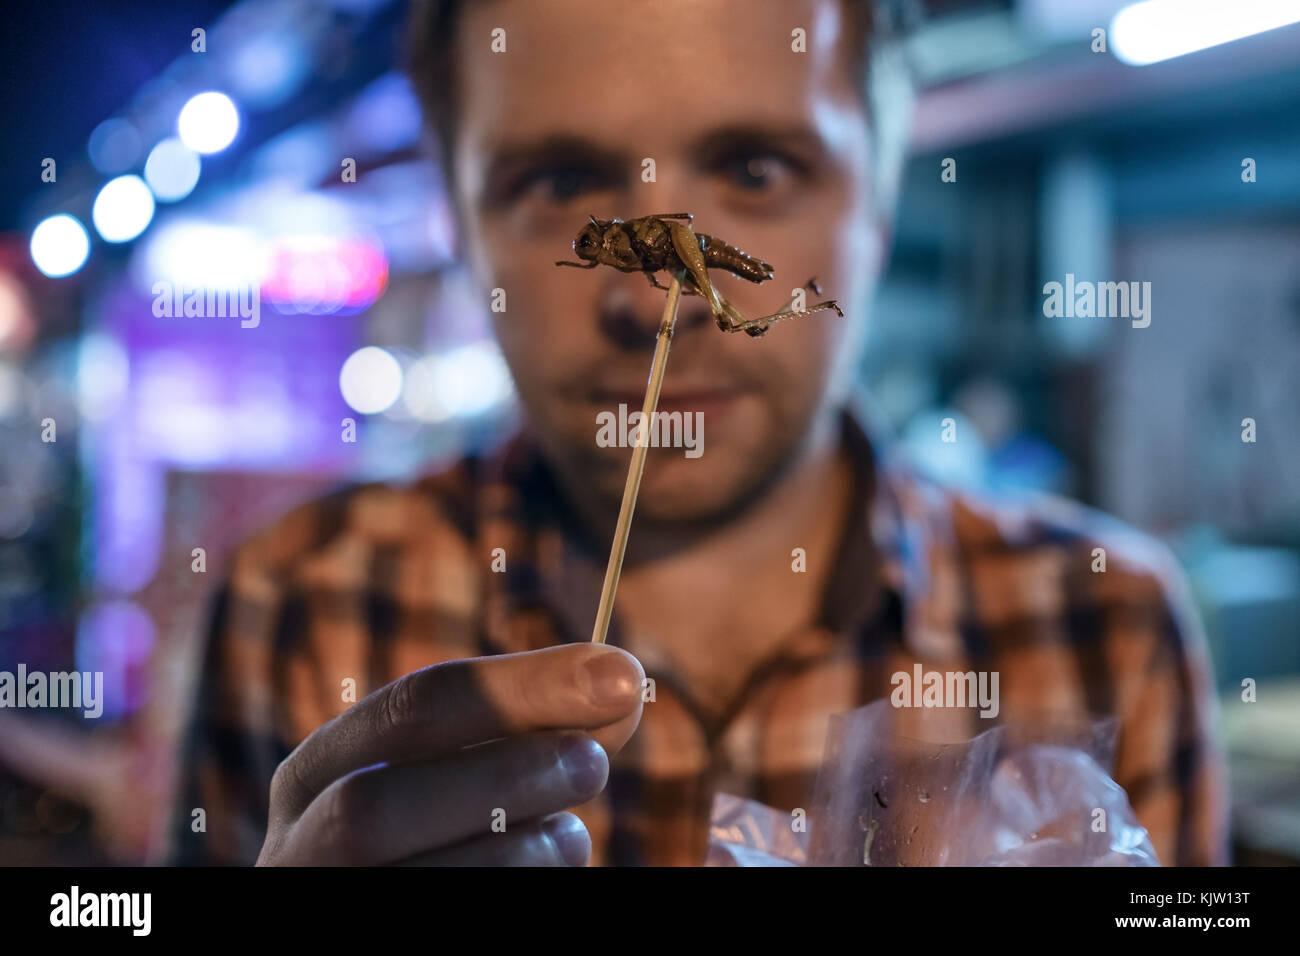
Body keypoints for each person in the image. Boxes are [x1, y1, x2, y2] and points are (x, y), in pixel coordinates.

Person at [169, 0, 1228, 866]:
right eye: (558, 181)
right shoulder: (300, 606)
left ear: (879, 198)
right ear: (457, 215)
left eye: (756, 170)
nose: (662, 300)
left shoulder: (1107, 626)